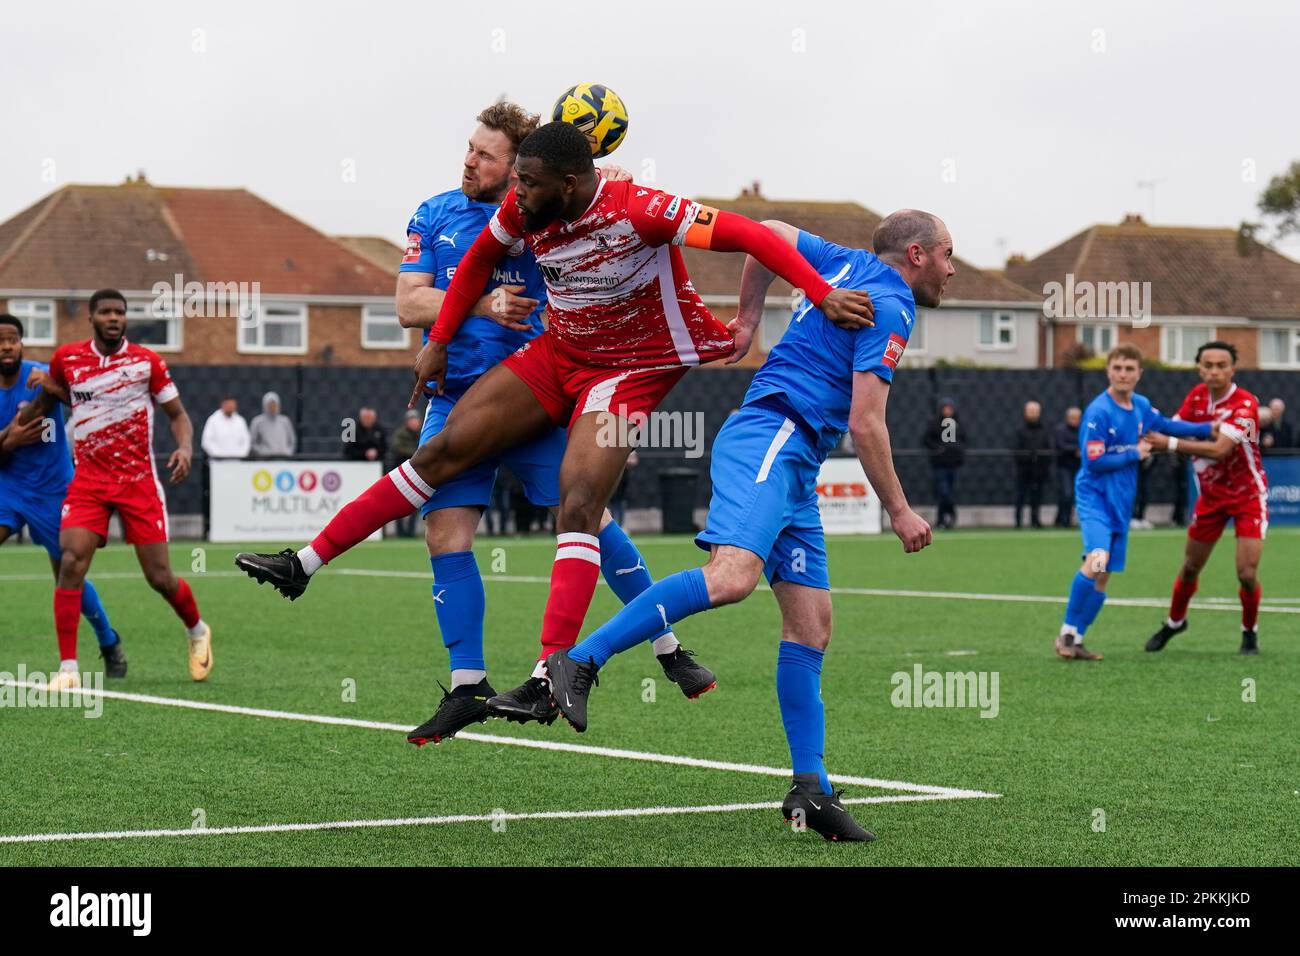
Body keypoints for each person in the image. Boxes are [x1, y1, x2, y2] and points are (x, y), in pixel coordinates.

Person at [233, 119, 874, 733]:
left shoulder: (641, 208)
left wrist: (819, 294)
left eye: (529, 183)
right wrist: (439, 341)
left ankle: (549, 674)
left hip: (632, 366)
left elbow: (753, 235)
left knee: (579, 502)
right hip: (560, 353)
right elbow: (481, 259)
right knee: (442, 453)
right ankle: (304, 564)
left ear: (569, 183)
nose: (516, 196)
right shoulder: (520, 208)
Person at [545, 209, 944, 843]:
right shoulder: (892, 303)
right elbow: (868, 424)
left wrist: (751, 320)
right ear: (918, 255)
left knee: (811, 625)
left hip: (795, 457)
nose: (952, 269)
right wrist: (899, 509)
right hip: (773, 435)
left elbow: (766, 231)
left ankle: (811, 790)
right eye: (948, 255)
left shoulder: (840, 261)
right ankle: (579, 663)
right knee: (731, 578)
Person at [18, 290, 212, 689]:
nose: (113, 318)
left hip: (137, 481)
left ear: (125, 319)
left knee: (159, 577)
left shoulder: (147, 362)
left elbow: (178, 415)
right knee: (70, 561)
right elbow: (58, 395)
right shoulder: (68, 358)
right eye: (105, 312)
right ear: (91, 318)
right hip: (88, 480)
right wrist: (32, 408)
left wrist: (186, 446)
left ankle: (196, 630)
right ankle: (68, 670)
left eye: (119, 312)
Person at [1054, 344, 1212, 661]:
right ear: (1108, 371)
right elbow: (1093, 460)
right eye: (1118, 368)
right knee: (1097, 559)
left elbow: (1168, 426)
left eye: (1129, 369)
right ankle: (1066, 634)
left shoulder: (1140, 406)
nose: (1123, 374)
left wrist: (1211, 428)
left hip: (1121, 501)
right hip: (1095, 497)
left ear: (1139, 373)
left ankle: (1079, 638)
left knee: (1106, 572)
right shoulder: (1098, 411)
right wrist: (1134, 453)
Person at [0, 314, 124, 676]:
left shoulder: (42, 375)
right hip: (6, 486)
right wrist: (9, 440)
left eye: (12, 339)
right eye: (0, 340)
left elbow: (87, 400)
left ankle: (108, 639)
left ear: (22, 344)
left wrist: (55, 389)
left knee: (68, 573)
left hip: (53, 488)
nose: (6, 346)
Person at [1146, 342, 1268, 655]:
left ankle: (1249, 631)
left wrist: (1170, 443)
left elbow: (1220, 449)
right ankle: (1175, 622)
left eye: (1221, 365)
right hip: (1211, 498)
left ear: (1233, 369)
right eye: (1208, 365)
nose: (1214, 371)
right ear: (1200, 369)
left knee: (1246, 573)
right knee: (1189, 567)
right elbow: (1174, 425)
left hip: (1248, 496)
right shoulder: (1196, 397)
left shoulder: (1245, 403)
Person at [922, 397, 962, 529]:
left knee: (947, 492)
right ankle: (950, 513)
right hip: (939, 464)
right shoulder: (935, 423)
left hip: (953, 463)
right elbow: (926, 439)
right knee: (943, 492)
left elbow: (964, 440)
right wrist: (937, 449)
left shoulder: (957, 424)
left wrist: (956, 450)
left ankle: (942, 520)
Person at [1013, 400, 1050, 528]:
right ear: (1025, 412)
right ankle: (1018, 521)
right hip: (1023, 470)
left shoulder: (1044, 431)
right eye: (1030, 411)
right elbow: (1016, 450)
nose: (1033, 414)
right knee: (1020, 496)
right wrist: (1027, 457)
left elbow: (1048, 449)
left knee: (1037, 497)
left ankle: (1035, 520)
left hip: (1039, 470)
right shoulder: (1019, 431)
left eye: (1035, 411)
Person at [387, 409, 423, 537]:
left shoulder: (421, 434)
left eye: (416, 420)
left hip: (415, 475)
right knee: (398, 505)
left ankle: (410, 531)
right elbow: (398, 448)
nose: (415, 423)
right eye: (412, 420)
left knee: (415, 505)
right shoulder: (400, 434)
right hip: (401, 474)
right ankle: (400, 531)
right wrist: (417, 453)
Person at [1052, 406, 1081, 527]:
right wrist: (1076, 450)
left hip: (1078, 467)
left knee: (1074, 495)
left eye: (1076, 418)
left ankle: (1063, 520)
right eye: (1072, 418)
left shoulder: (1083, 430)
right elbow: (1061, 445)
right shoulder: (1060, 430)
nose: (1074, 420)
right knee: (1066, 494)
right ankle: (1064, 521)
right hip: (1064, 467)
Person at [249, 391, 296, 459]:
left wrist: (287, 452)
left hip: (283, 459)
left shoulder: (285, 421)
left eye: (274, 405)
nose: (272, 407)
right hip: (265, 461)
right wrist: (262, 453)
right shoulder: (257, 421)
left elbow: (292, 440)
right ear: (265, 406)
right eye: (270, 405)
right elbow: (252, 442)